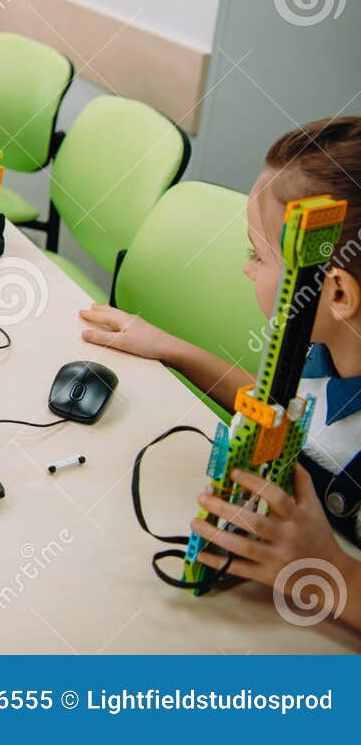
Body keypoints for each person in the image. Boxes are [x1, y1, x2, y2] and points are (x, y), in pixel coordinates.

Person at [81, 117, 361, 631]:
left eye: (258, 255)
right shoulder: (322, 353)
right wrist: (172, 349)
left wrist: (332, 572)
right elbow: (276, 408)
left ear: (338, 293)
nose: (247, 269)